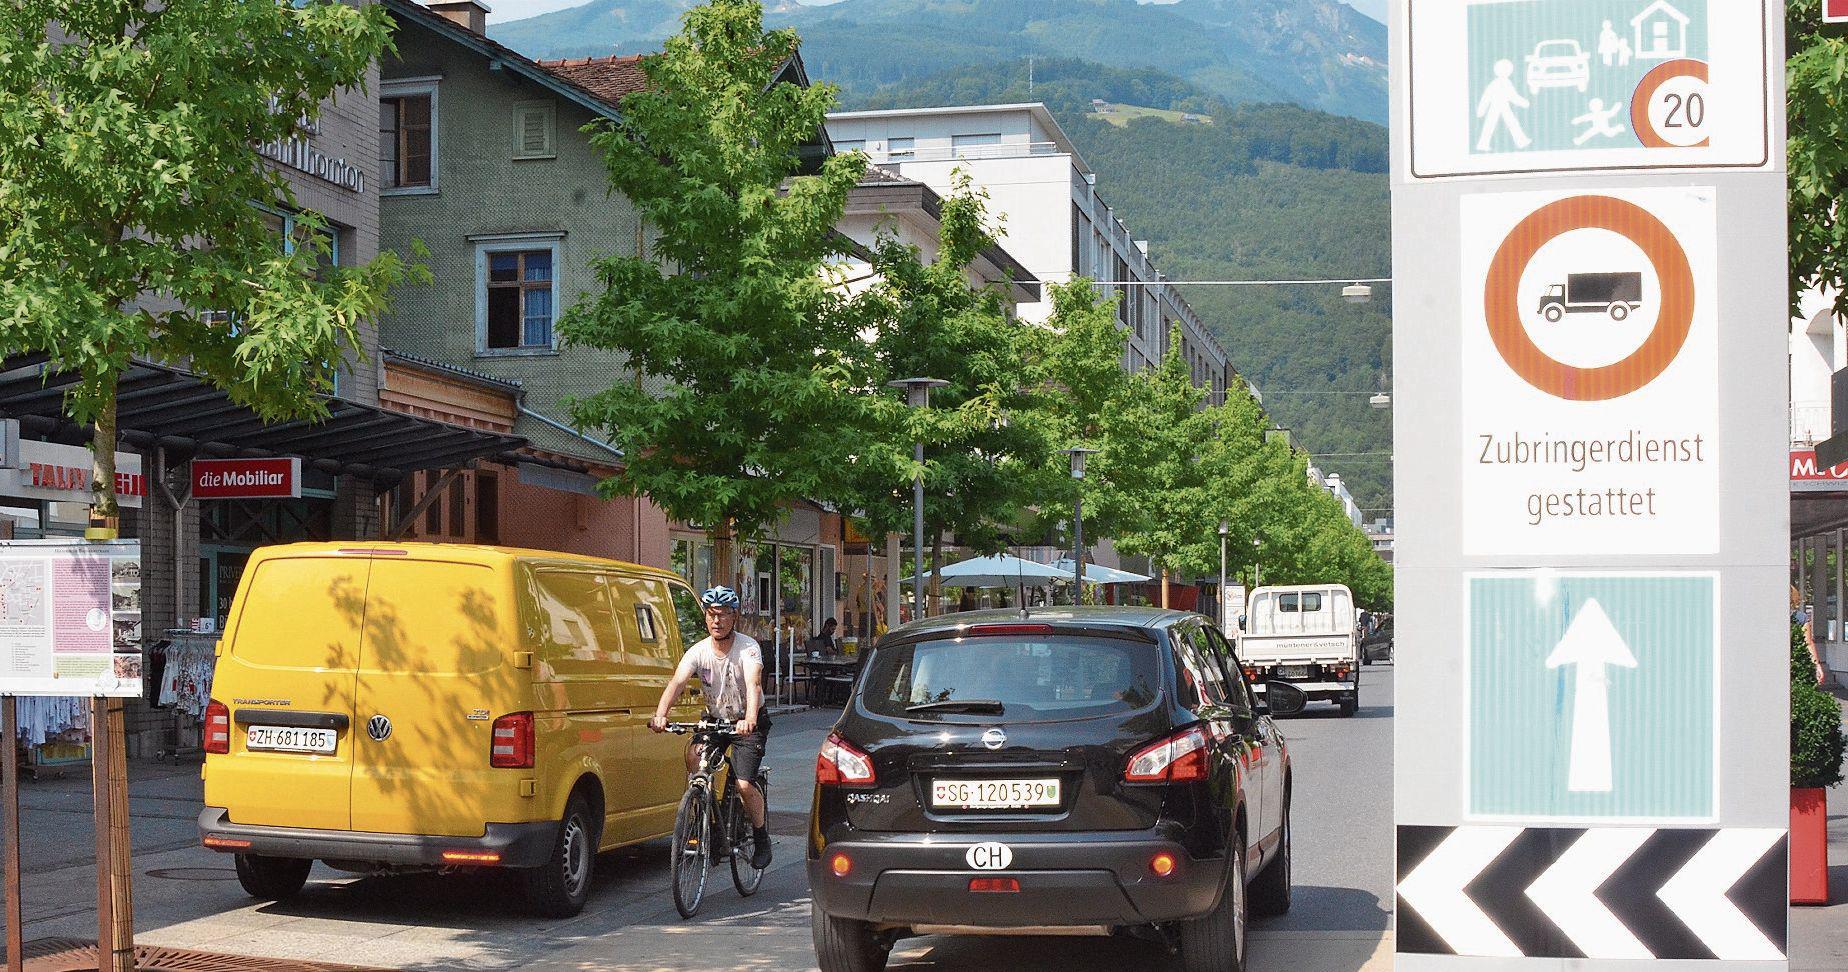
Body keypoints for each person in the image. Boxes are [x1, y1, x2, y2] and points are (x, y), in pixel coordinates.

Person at [650, 586, 772, 869]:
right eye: (711, 614)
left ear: (734, 617)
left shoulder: (748, 648)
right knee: (694, 757)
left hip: (747, 721)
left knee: (743, 784)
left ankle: (761, 836)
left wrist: (749, 718)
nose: (717, 621)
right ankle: (708, 817)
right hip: (715, 719)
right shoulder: (699, 651)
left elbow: (753, 684)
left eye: (723, 614)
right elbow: (677, 683)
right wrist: (660, 715)